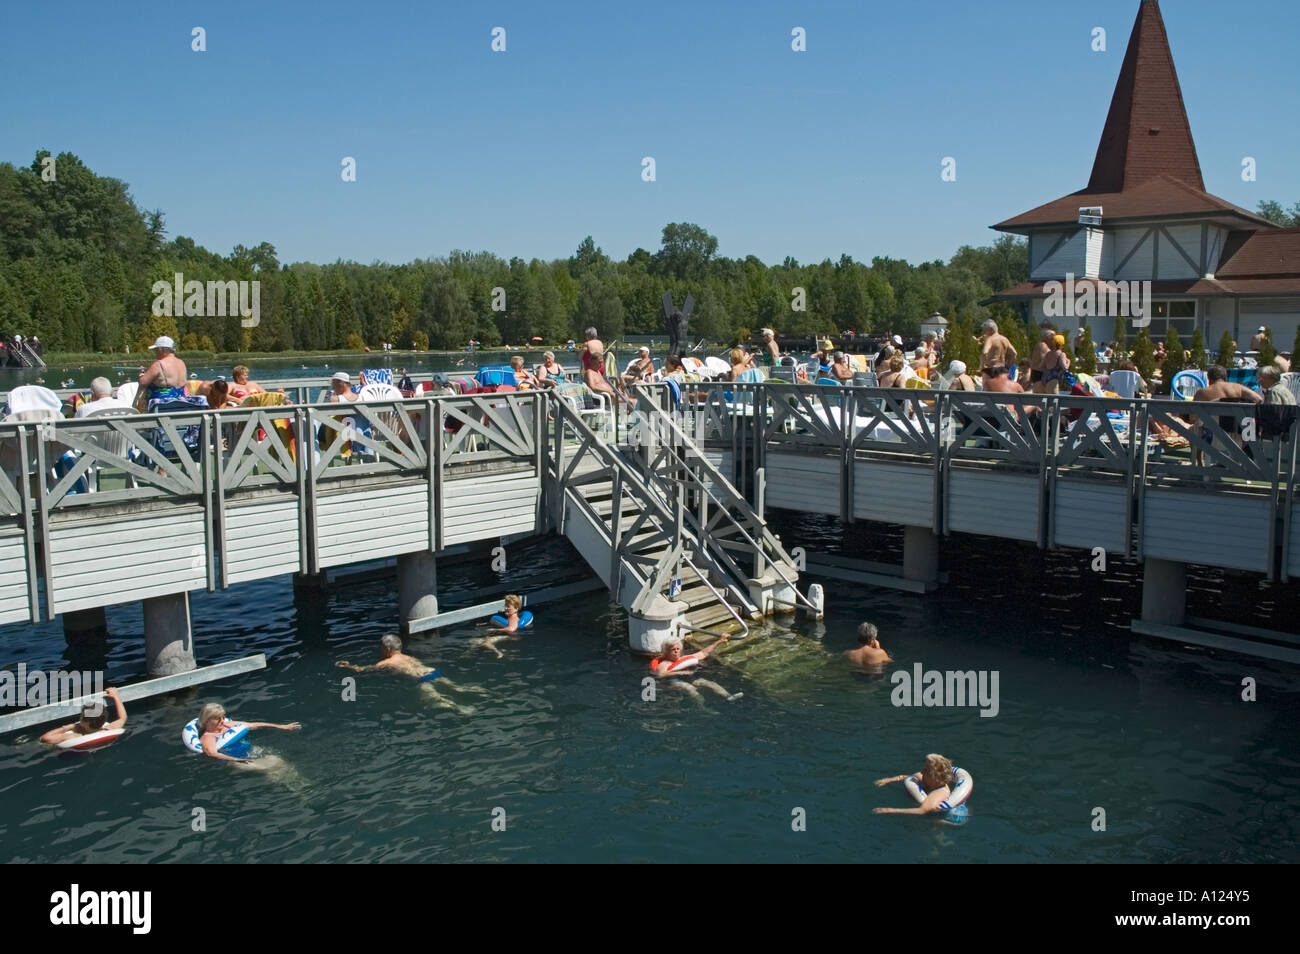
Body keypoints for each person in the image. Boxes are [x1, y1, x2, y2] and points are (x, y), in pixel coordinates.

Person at [336, 635, 488, 715]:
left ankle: (459, 708)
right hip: (433, 671)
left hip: (422, 679)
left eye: (382, 648)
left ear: (388, 649)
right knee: (458, 688)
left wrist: (348, 666)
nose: (381, 651)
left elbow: (363, 669)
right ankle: (483, 693)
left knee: (436, 698)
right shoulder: (407, 657)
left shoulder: (386, 662)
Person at [193, 702, 300, 765]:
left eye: (223, 717)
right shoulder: (208, 737)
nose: (222, 720)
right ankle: (300, 793)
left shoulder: (227, 725)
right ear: (207, 720)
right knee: (273, 769)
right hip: (238, 760)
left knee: (280, 762)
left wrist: (282, 726)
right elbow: (213, 753)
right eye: (217, 719)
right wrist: (237, 760)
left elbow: (254, 725)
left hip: (250, 750)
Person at [651, 635, 742, 703]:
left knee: (710, 683)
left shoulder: (685, 658)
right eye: (672, 649)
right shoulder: (664, 664)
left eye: (678, 649)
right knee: (691, 689)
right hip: (673, 681)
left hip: (688, 678)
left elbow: (703, 653)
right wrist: (681, 672)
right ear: (666, 652)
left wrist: (719, 641)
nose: (676, 651)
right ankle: (705, 708)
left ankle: (729, 696)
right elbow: (661, 674)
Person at [874, 754, 959, 816]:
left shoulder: (939, 793)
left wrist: (890, 810)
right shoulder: (928, 779)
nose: (921, 772)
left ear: (934, 778)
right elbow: (906, 777)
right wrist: (888, 780)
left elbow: (921, 811)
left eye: (926, 770)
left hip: (943, 817)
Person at [40, 687, 127, 745]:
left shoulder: (74, 736)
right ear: (103, 721)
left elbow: (44, 738)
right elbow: (123, 718)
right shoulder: (110, 728)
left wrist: (68, 727)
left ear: (85, 723)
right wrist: (116, 697)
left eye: (81, 715)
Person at [580, 327, 634, 408]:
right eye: (600, 362)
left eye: (602, 362)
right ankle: (627, 405)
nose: (601, 363)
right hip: (603, 393)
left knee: (628, 397)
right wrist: (610, 391)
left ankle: (627, 405)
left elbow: (580, 356)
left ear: (588, 335)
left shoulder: (587, 343)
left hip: (592, 366)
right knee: (629, 401)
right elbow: (592, 386)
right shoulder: (599, 343)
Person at [136, 336, 187, 411]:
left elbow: (143, 382)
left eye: (156, 350)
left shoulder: (159, 364)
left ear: (162, 350)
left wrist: (141, 375)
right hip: (182, 404)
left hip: (163, 406)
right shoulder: (181, 362)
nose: (155, 353)